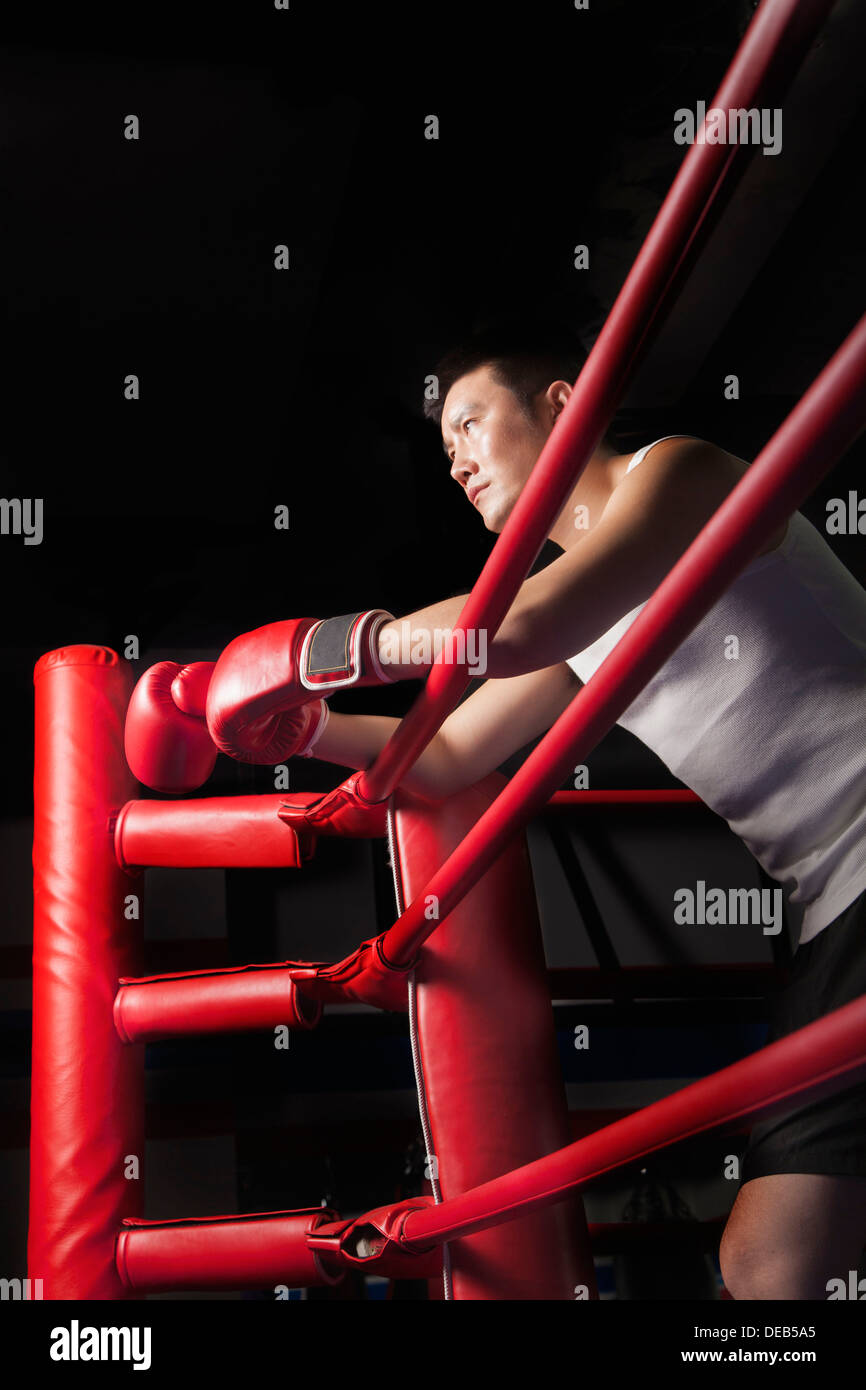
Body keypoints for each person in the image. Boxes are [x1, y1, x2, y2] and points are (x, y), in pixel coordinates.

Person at [289, 315, 866, 1300]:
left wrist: (321, 644)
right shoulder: (574, 619)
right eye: (444, 448)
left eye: (470, 423)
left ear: (561, 403)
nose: (458, 460)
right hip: (835, 911)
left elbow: (516, 625)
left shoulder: (675, 473)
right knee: (771, 1268)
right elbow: (446, 754)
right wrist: (288, 725)